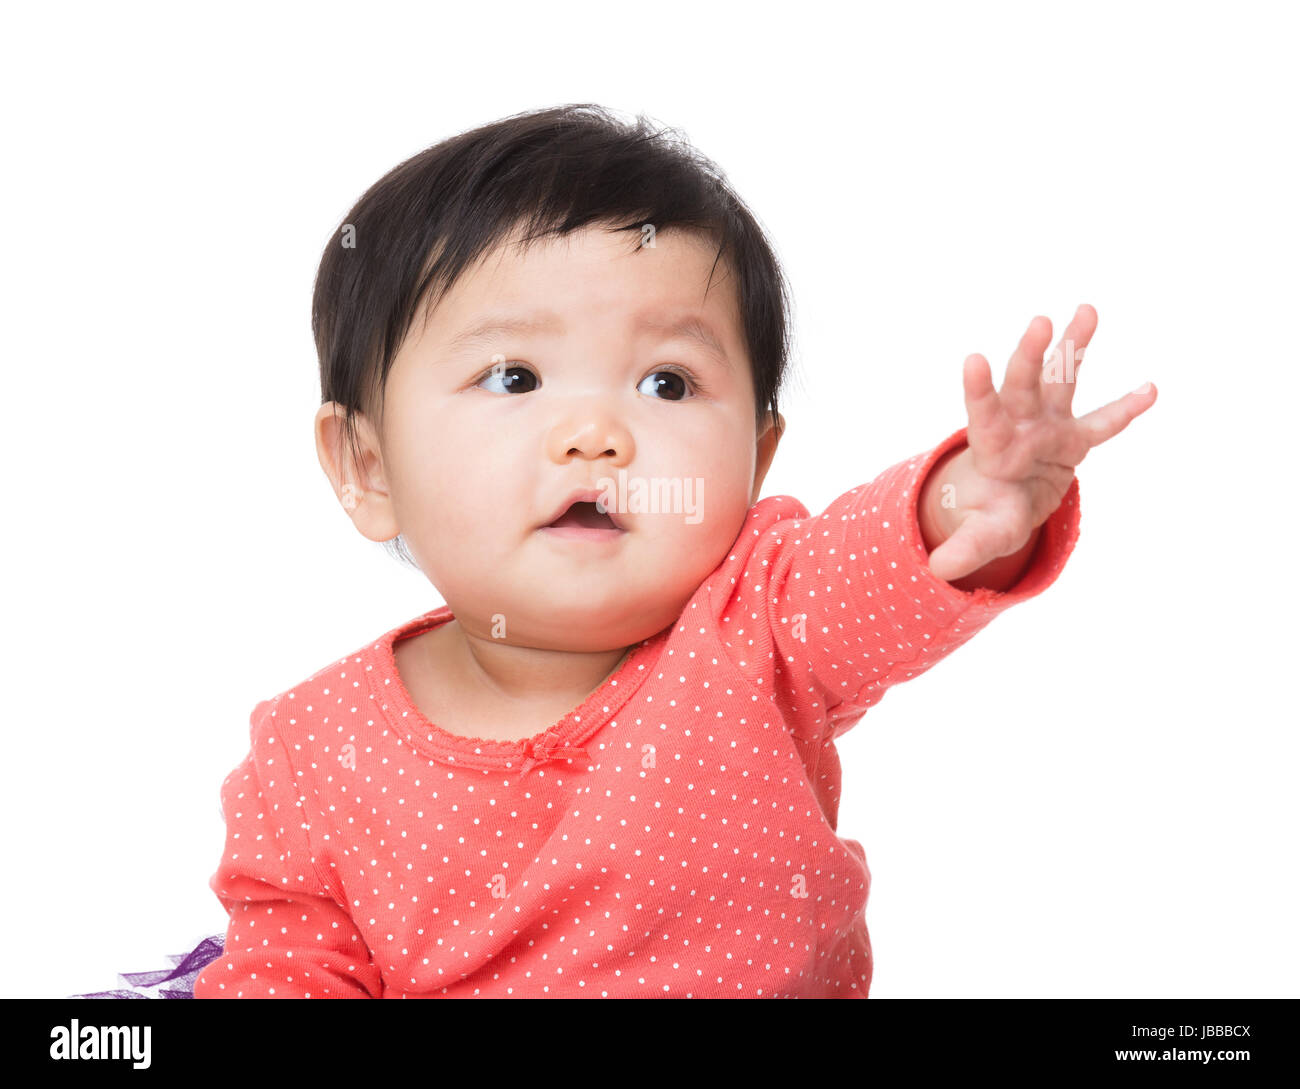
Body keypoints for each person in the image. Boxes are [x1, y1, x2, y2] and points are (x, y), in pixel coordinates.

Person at [186, 103, 1155, 998]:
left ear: (755, 460)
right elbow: (287, 963)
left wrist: (969, 501)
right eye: (513, 375)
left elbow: (870, 567)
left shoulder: (761, 623)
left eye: (666, 384)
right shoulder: (312, 749)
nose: (596, 435)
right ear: (367, 465)